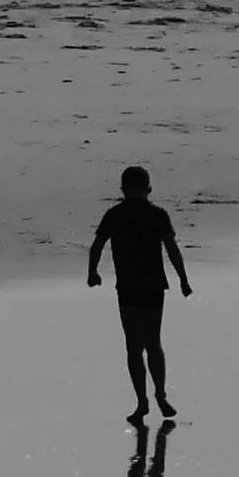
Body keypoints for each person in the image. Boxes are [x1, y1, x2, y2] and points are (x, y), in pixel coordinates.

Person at [85, 165, 193, 421]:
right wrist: (183, 280)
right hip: (154, 286)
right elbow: (172, 249)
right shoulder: (157, 214)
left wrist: (92, 272)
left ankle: (141, 402)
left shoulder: (114, 214)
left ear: (122, 189)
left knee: (133, 346)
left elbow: (97, 246)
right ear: (148, 189)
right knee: (153, 342)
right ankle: (161, 395)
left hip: (128, 287)